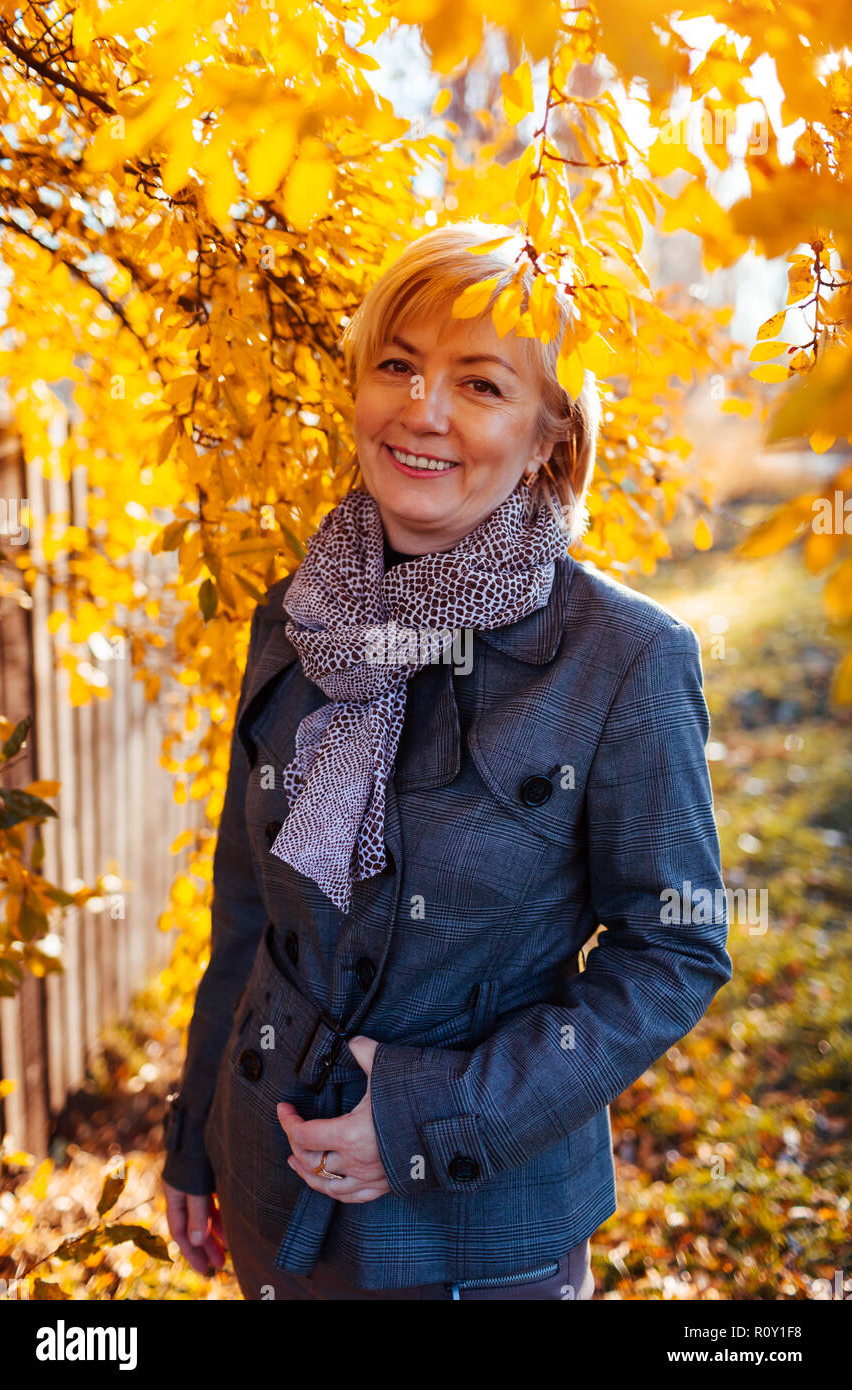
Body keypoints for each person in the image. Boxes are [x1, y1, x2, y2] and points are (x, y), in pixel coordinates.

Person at [160, 220, 732, 1300]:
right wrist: (194, 1132)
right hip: (267, 1184)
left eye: (477, 384)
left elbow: (674, 951)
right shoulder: (294, 616)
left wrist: (425, 1110)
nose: (421, 411)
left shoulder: (622, 657)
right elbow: (248, 911)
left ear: (547, 438)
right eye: (397, 366)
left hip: (477, 1233)